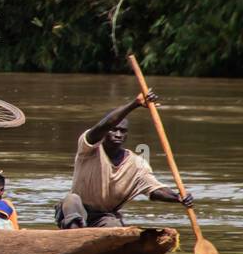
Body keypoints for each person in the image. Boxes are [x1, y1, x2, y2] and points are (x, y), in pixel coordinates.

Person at [55, 90, 193, 228]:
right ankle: (75, 236)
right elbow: (104, 124)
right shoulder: (89, 148)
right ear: (105, 132)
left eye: (123, 131)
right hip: (76, 212)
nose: (118, 134)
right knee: (71, 200)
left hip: (103, 216)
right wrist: (135, 104)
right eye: (114, 130)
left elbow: (155, 190)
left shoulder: (137, 164)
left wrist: (178, 197)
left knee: (113, 226)